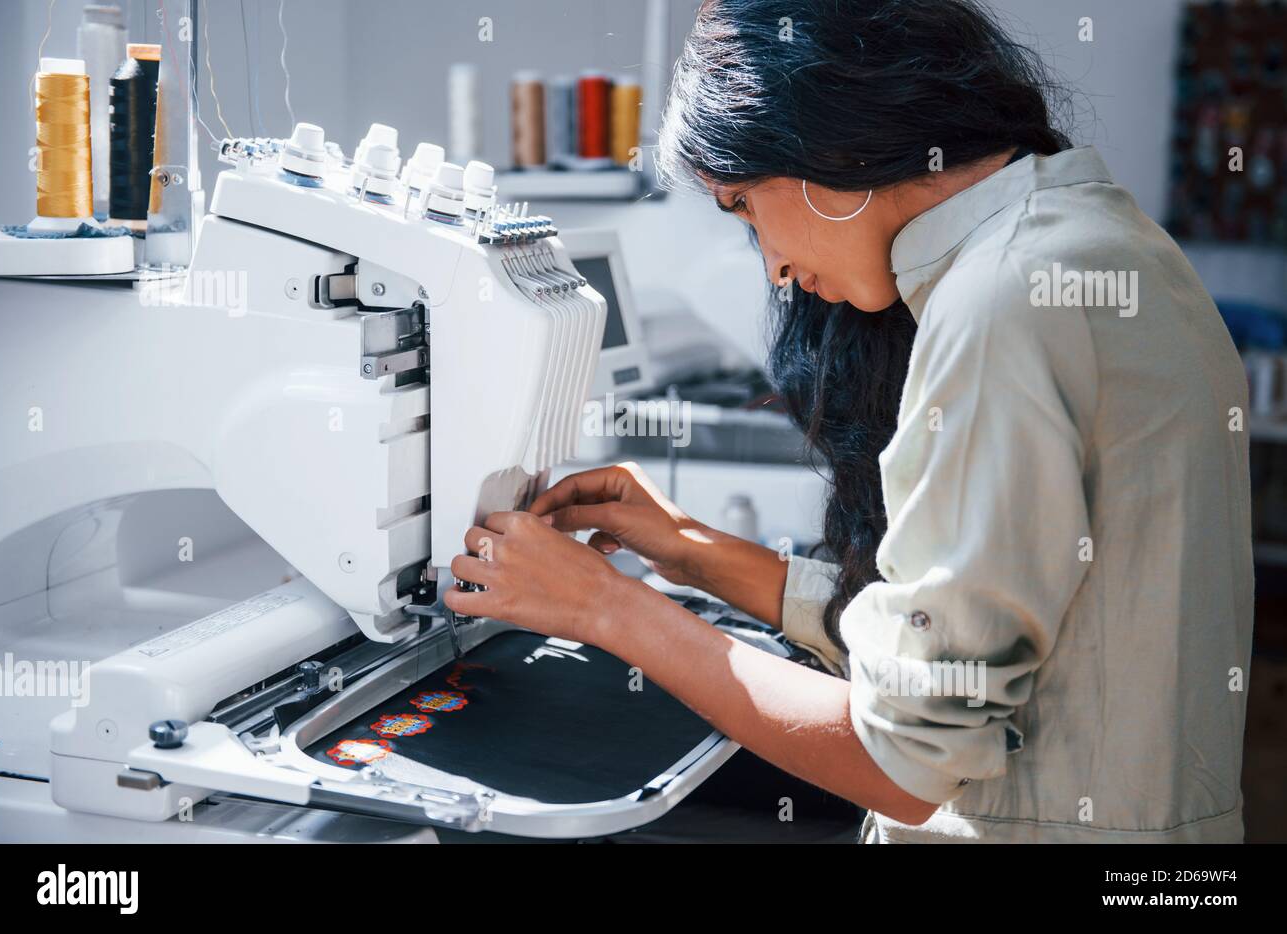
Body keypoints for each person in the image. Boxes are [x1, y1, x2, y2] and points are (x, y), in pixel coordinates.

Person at [445, 0, 1254, 842]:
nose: (777, 269)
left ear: (820, 137)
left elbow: (900, 767)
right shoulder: (1095, 239)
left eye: (744, 208)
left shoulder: (1002, 302)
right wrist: (691, 548)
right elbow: (948, 633)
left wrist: (604, 608)